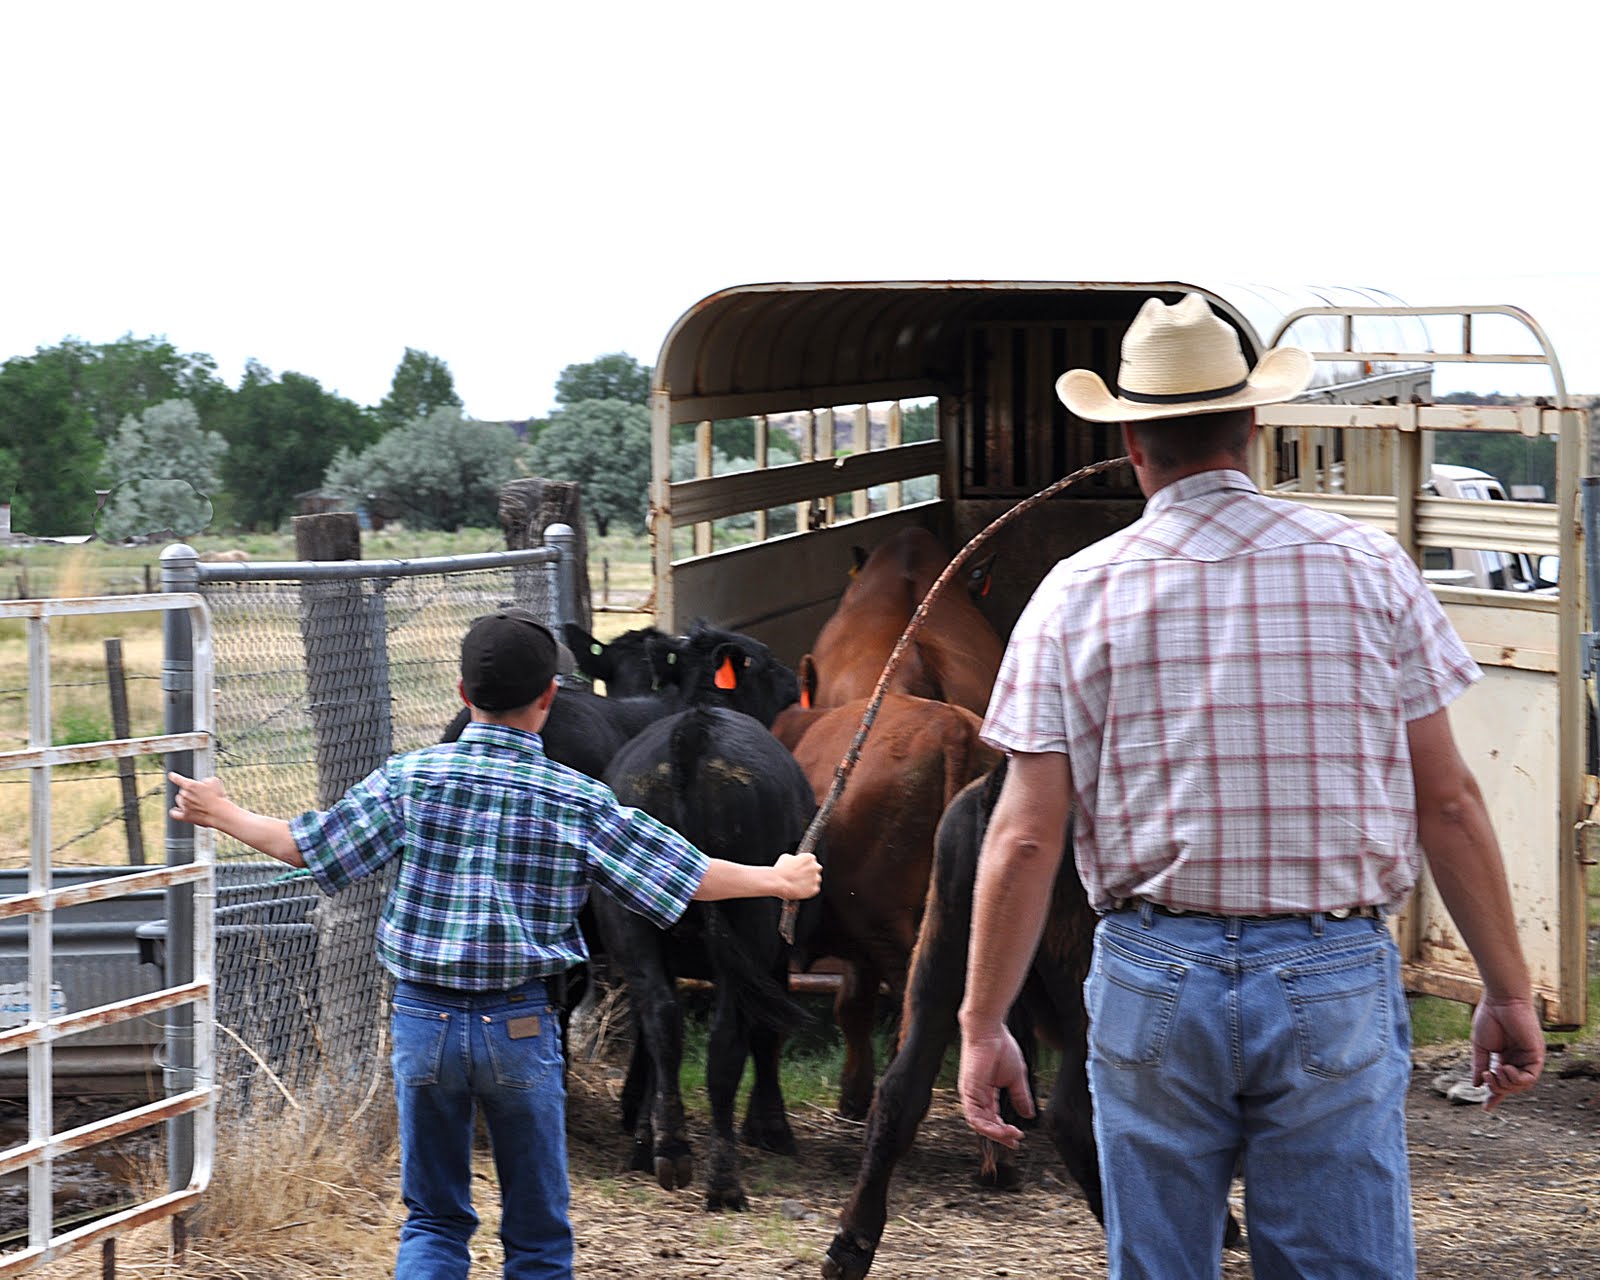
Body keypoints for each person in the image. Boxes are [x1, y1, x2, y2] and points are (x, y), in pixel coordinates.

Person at [955, 293, 1544, 1279]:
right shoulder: (1369, 567)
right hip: (1330, 968)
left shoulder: (1073, 593)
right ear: (1255, 426)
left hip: (1151, 971)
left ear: (1131, 442)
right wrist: (1508, 988)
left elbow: (1022, 836)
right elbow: (1447, 802)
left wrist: (982, 1025)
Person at [168, 606, 822, 1280]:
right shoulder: (575, 798)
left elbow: (305, 846)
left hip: (423, 1022)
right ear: (549, 697)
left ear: (462, 693)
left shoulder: (409, 779)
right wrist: (775, 878)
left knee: (433, 1219)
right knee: (537, 1233)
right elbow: (682, 875)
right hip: (519, 1026)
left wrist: (222, 812)